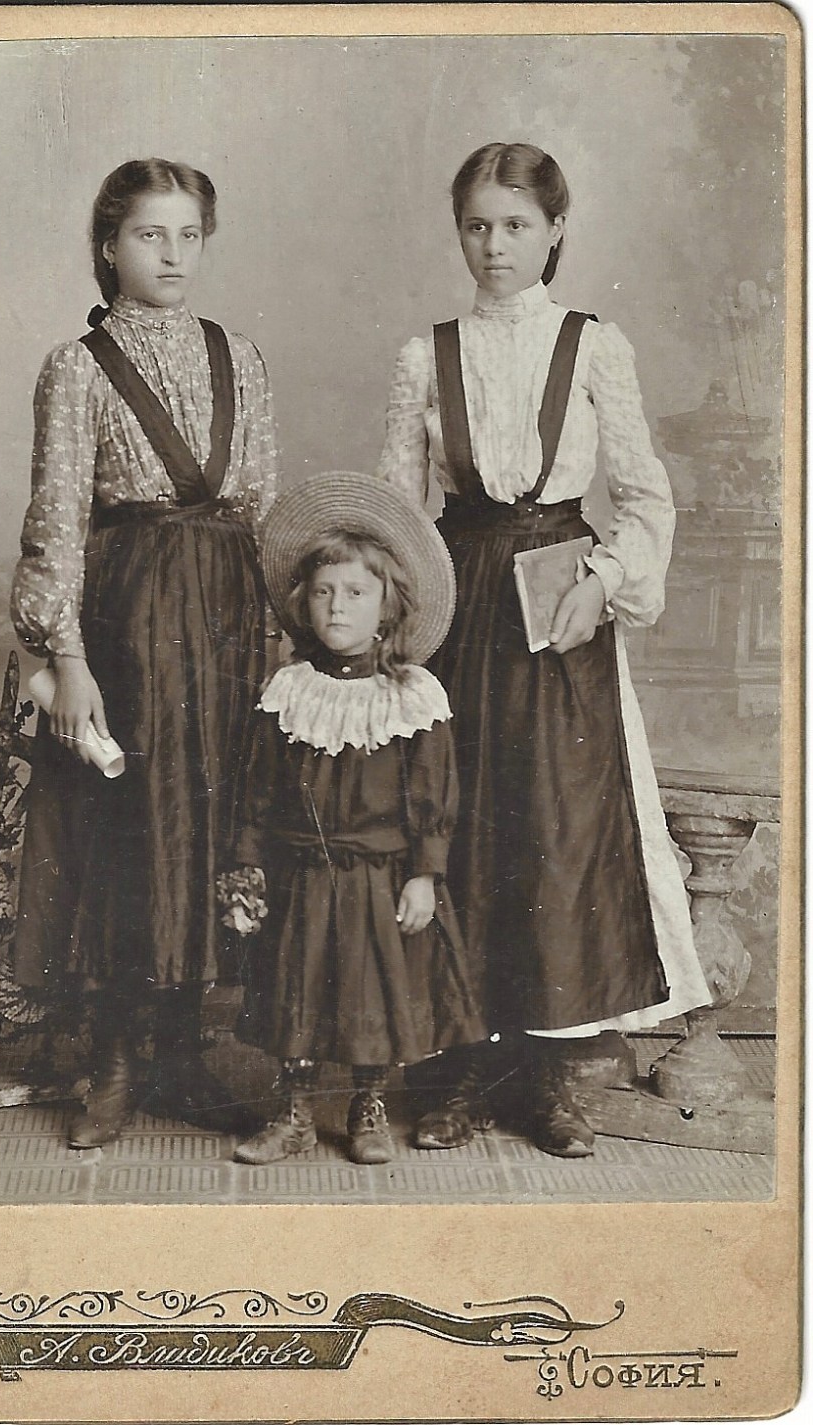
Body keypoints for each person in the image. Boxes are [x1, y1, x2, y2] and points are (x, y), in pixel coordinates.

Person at [377, 141, 710, 1158]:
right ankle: (463, 1069)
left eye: (515, 225)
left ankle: (558, 1080)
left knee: (559, 832)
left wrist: (603, 581)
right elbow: (394, 510)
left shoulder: (593, 346)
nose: (493, 245)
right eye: (477, 225)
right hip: (455, 604)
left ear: (555, 230)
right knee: (461, 825)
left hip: (559, 607)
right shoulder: (420, 357)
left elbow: (645, 496)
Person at [11, 158, 279, 1148]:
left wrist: (275, 634)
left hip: (225, 616)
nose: (170, 254)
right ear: (109, 247)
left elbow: (257, 503)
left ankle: (186, 1052)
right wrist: (68, 658)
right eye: (148, 236)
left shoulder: (237, 356)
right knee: (131, 829)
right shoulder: (76, 368)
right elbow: (56, 525)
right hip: (124, 626)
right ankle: (117, 1063)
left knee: (213, 829)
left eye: (188, 236)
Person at [224, 472, 485, 1166]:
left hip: (378, 871)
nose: (337, 608)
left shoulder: (412, 696)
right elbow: (257, 787)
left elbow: (434, 796)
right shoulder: (287, 691)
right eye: (323, 592)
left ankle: (369, 1103)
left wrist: (425, 875)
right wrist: (248, 866)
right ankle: (295, 1109)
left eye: (356, 594)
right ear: (304, 602)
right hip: (302, 870)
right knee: (295, 990)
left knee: (374, 991)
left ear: (386, 605)